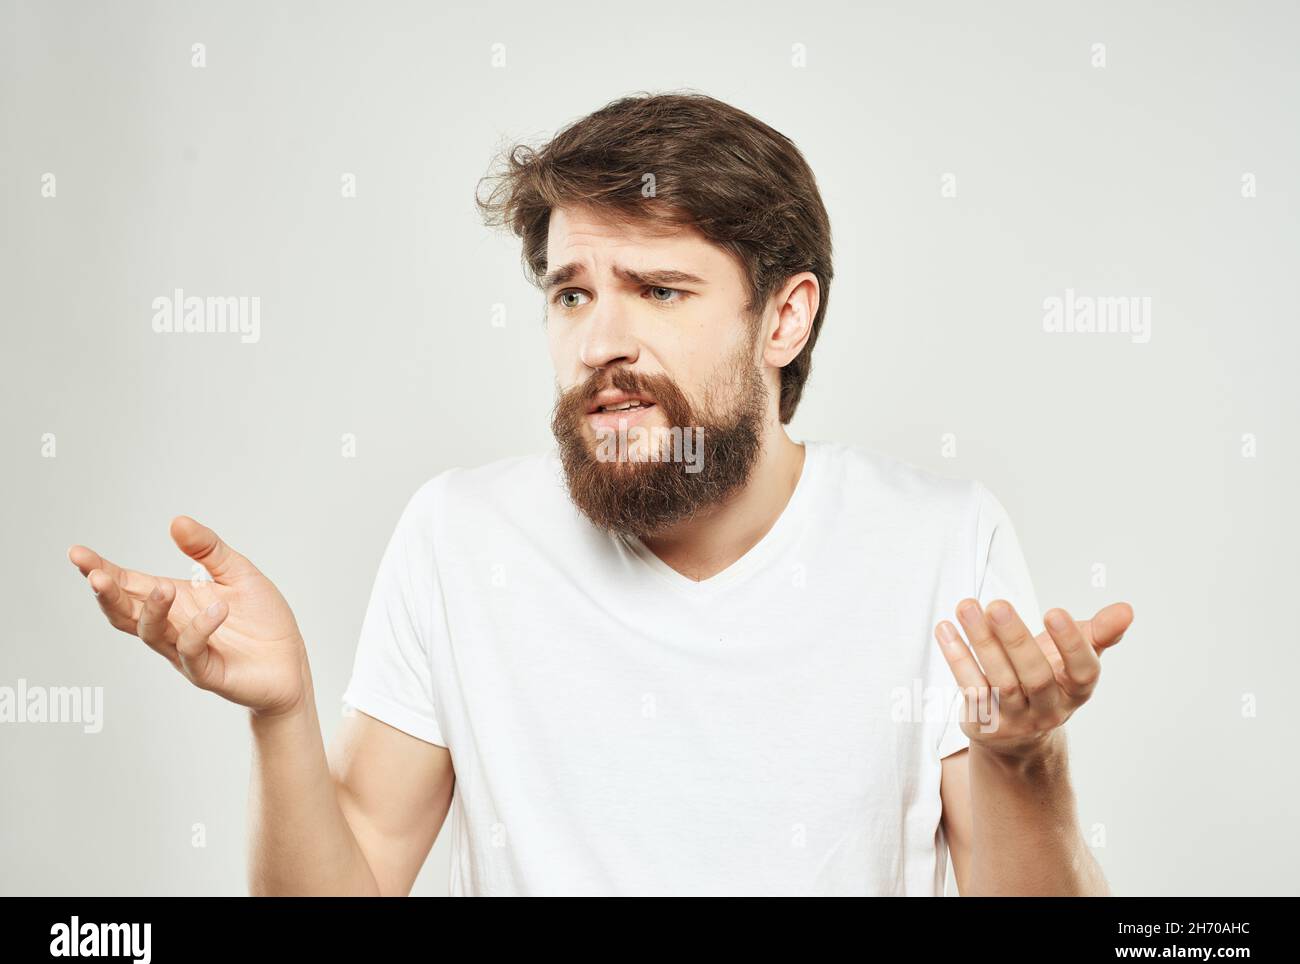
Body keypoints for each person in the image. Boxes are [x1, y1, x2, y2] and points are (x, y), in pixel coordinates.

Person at [67, 90, 1133, 896]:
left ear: (784, 318)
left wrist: (1019, 755)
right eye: (571, 293)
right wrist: (284, 712)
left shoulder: (936, 544)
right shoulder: (459, 537)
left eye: (659, 291)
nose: (601, 342)